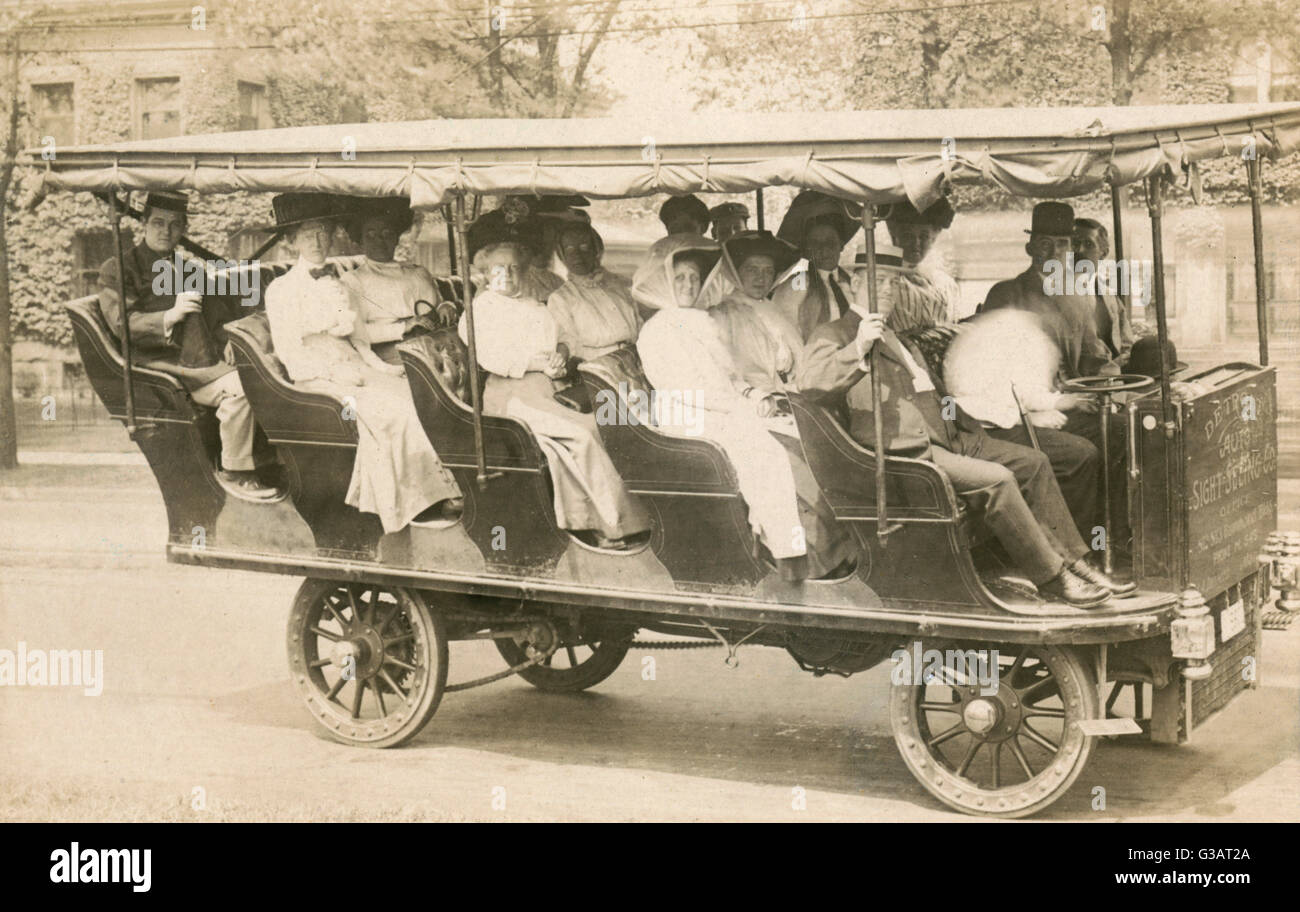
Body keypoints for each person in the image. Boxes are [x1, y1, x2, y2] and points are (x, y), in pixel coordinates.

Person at [798, 254, 1135, 607]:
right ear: (853, 284)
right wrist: (859, 346)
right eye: (877, 280)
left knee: (1034, 462)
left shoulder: (896, 335)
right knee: (999, 479)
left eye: (893, 282)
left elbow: (934, 393)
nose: (887, 290)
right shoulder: (835, 334)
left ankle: (1077, 562)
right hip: (907, 451)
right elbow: (811, 384)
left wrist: (974, 426)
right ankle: (1051, 577)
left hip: (951, 436)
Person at [634, 236, 856, 581]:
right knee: (768, 455)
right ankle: (795, 557)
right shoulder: (657, 330)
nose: (689, 285)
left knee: (798, 442)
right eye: (680, 278)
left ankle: (828, 549)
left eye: (694, 278)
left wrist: (748, 395)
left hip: (719, 405)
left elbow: (728, 374)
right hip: (686, 413)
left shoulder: (699, 320)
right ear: (664, 280)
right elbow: (687, 388)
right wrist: (740, 404)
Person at [262, 193, 463, 532]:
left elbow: (359, 339)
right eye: (308, 233)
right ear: (291, 240)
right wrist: (337, 375)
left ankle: (434, 492)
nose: (317, 241)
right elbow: (290, 355)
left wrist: (380, 369)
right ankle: (411, 503)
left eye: (323, 231)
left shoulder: (337, 281)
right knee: (390, 415)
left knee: (416, 397)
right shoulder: (281, 290)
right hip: (317, 381)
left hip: (355, 368)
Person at [461, 241, 650, 549]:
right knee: (582, 434)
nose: (507, 274)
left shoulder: (532, 304)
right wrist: (541, 362)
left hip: (549, 388)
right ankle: (605, 526)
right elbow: (492, 358)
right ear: (484, 274)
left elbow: (563, 338)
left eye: (514, 268)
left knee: (603, 423)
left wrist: (561, 353)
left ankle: (623, 519)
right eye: (499, 268)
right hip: (511, 396)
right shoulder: (481, 310)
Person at [97, 191, 281, 500]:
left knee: (270, 372)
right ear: (143, 223)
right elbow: (121, 325)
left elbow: (218, 316)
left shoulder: (189, 269)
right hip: (161, 364)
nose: (165, 232)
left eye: (174, 225)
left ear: (183, 229)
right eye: (157, 223)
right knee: (242, 388)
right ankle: (235, 471)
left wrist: (231, 342)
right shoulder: (119, 268)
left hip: (201, 358)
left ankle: (272, 464)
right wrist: (170, 315)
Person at [942, 309, 1102, 538]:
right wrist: (1024, 418)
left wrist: (1062, 401)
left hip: (1016, 418)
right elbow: (963, 405)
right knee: (1080, 453)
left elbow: (1022, 388)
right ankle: (1071, 546)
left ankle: (1106, 535)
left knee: (1105, 430)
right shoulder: (975, 346)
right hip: (989, 429)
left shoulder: (1024, 334)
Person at [978, 201, 1114, 449]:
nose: (1054, 253)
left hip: (1073, 401)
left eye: (1062, 244)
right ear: (1030, 248)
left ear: (1071, 249)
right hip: (1027, 412)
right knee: (1110, 436)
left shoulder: (1077, 297)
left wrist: (1112, 391)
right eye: (1044, 244)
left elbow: (1093, 356)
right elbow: (994, 373)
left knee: (1126, 425)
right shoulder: (1007, 294)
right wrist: (1038, 409)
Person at [338, 197, 457, 365]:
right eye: (371, 235)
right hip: (394, 351)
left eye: (387, 234)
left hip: (434, 342)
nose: (379, 240)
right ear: (360, 242)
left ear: (396, 239)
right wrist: (404, 326)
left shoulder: (418, 272)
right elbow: (357, 334)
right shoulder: (353, 280)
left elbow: (438, 305)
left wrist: (446, 306)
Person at [711, 231, 805, 398]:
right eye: (752, 270)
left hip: (788, 396)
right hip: (753, 400)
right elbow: (723, 371)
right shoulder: (723, 314)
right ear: (737, 272)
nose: (760, 278)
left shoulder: (775, 310)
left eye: (768, 271)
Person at [547, 220, 641, 362]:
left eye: (584, 247)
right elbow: (568, 343)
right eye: (570, 250)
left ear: (596, 250)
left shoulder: (620, 285)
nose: (577, 255)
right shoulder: (560, 298)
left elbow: (639, 326)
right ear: (562, 256)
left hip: (635, 359)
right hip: (597, 366)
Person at [771, 191, 860, 342]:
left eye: (830, 242)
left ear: (841, 245)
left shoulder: (853, 282)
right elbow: (784, 334)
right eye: (816, 244)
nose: (824, 250)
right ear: (806, 249)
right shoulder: (795, 285)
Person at [881, 197, 962, 330]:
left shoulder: (947, 284)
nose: (916, 243)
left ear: (933, 238)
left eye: (924, 237)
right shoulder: (885, 283)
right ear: (894, 234)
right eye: (908, 236)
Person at [1073, 217, 1135, 364]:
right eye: (1074, 244)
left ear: (1103, 252)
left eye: (1088, 244)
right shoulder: (1054, 293)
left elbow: (1127, 345)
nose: (1079, 251)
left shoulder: (1110, 297)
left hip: (1114, 379)